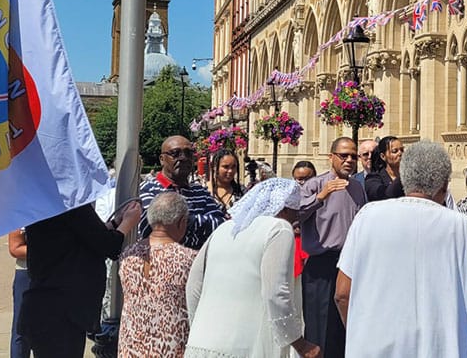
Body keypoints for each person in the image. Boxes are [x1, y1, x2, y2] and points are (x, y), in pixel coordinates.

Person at [335, 141, 467, 357]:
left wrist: (360, 334)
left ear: (404, 179)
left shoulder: (369, 216)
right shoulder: (460, 226)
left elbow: (342, 293)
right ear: (444, 185)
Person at [186, 178, 321, 358]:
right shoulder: (278, 228)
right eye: (296, 212)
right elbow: (275, 292)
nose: (296, 219)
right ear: (286, 207)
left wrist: (200, 327)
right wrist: (299, 344)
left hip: (201, 343)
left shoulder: (223, 229)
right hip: (246, 347)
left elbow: (193, 286)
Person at [21, 198, 142, 357]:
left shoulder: (43, 205)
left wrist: (115, 223)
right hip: (63, 313)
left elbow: (84, 235)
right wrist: (127, 223)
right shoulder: (69, 203)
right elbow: (108, 245)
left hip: (44, 308)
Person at [296, 137, 366, 358]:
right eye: (343, 155)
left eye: (353, 156)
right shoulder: (314, 185)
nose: (349, 160)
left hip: (349, 265)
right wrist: (321, 197)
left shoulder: (357, 188)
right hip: (321, 267)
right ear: (331, 157)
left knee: (344, 327)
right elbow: (296, 215)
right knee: (319, 327)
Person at [118, 192, 196, 358]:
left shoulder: (128, 255)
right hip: (171, 350)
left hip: (130, 350)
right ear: (182, 222)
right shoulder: (190, 259)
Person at [138, 136, 228, 250]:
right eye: (175, 153)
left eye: (188, 153)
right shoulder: (148, 189)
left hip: (197, 264)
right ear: (162, 159)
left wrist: (183, 221)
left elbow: (221, 225)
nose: (183, 158)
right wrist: (200, 225)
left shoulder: (200, 191)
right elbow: (151, 228)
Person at [8, 229, 31, 358]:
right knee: (21, 330)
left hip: (58, 272)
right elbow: (15, 248)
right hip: (27, 272)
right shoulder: (22, 210)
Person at [364, 136, 405, 201]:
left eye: (402, 150)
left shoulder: (410, 177)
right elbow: (383, 195)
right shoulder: (374, 178)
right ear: (383, 156)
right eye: (395, 151)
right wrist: (403, 177)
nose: (400, 153)